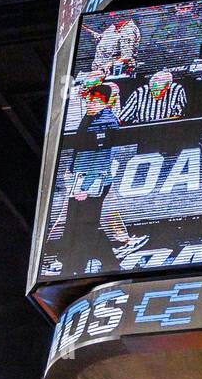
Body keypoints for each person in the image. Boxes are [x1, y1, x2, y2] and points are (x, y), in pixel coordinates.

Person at [49, 83, 147, 274]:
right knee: (76, 224)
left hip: (94, 181)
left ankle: (100, 262)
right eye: (89, 99)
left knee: (87, 225)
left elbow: (101, 158)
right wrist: (70, 171)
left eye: (95, 100)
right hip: (79, 178)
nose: (90, 103)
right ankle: (79, 262)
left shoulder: (107, 121)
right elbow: (81, 148)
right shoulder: (88, 117)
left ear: (105, 102)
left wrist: (85, 187)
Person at [118, 69, 187, 123]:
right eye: (154, 90)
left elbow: (182, 115)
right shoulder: (140, 92)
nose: (156, 94)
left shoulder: (177, 90)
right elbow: (123, 117)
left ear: (168, 87)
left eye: (160, 91)